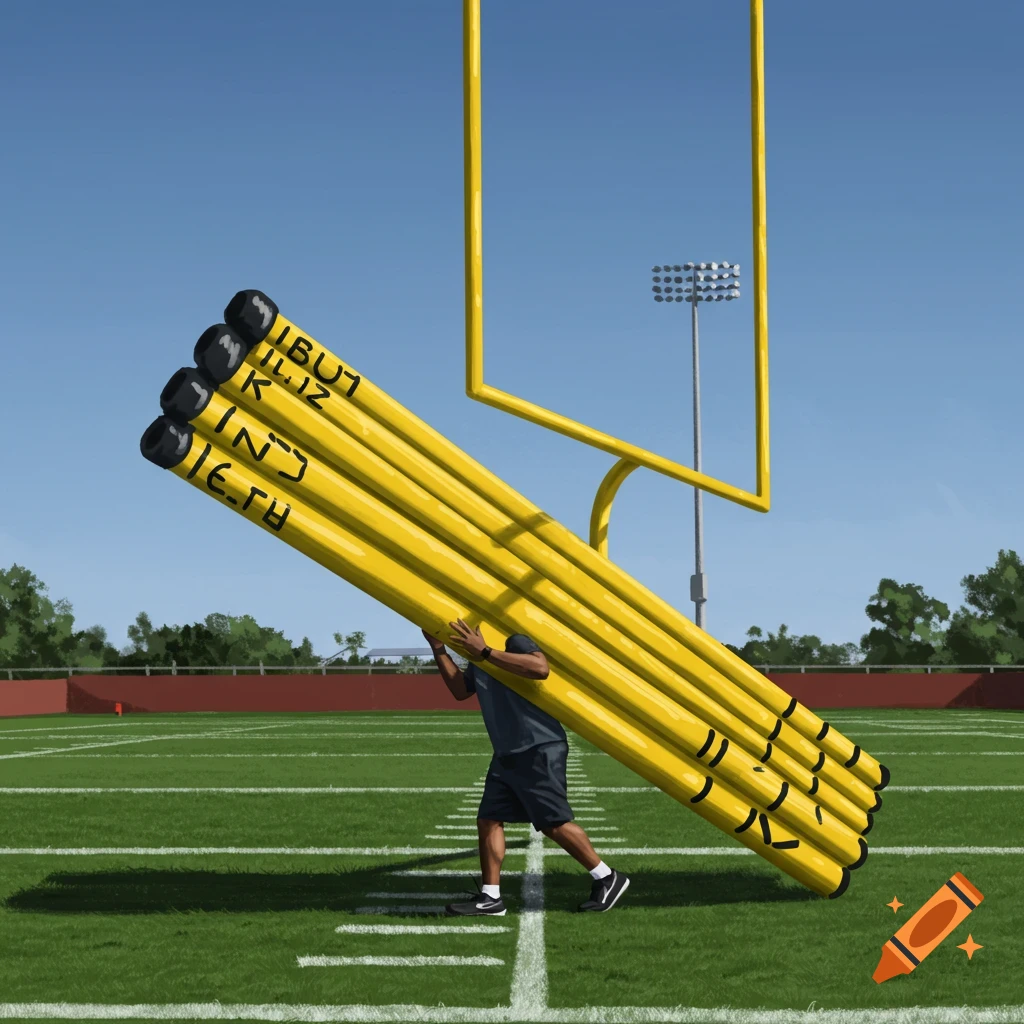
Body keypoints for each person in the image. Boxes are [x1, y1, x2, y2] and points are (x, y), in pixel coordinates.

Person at [423, 618, 630, 916]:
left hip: (537, 746)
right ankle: (490, 897)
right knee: (489, 819)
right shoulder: (480, 654)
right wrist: (439, 649)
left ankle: (607, 877)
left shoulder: (513, 639)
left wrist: (485, 652)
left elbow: (540, 668)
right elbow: (460, 690)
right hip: (507, 751)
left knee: (553, 823)